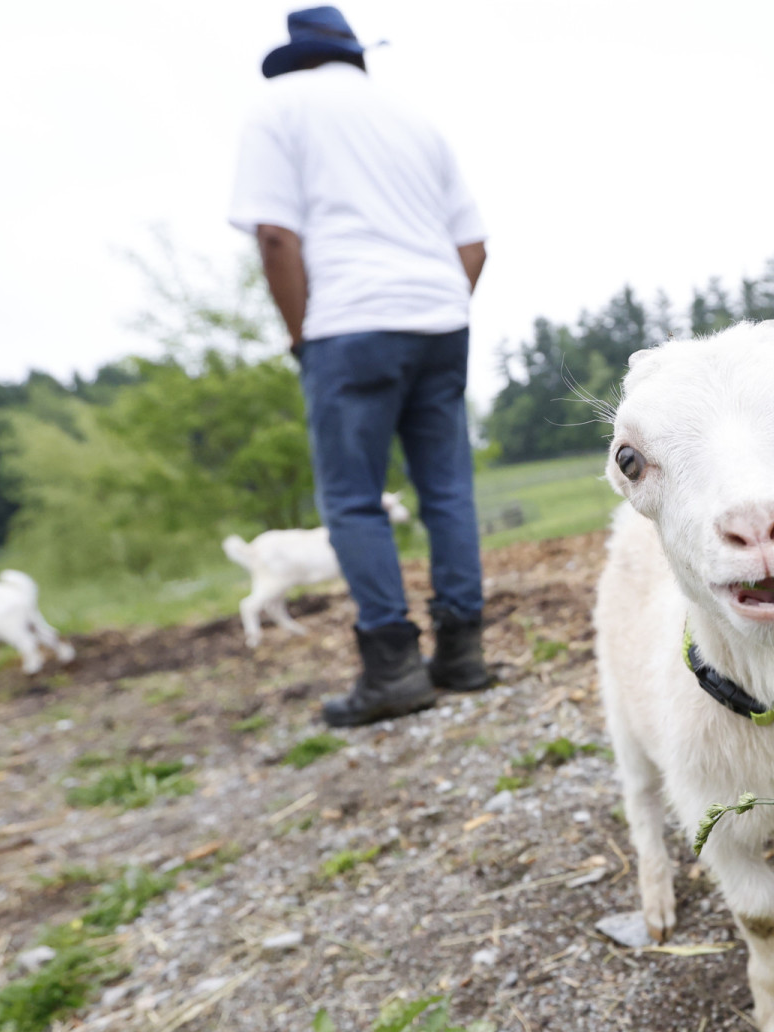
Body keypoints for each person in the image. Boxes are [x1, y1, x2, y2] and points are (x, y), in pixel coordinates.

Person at [229, 6, 493, 726]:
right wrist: (432, 307)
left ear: (297, 59)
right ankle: (463, 655)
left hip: (348, 323)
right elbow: (473, 245)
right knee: (446, 492)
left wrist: (301, 337)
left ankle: (394, 670)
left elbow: (278, 237)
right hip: (441, 319)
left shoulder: (279, 107)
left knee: (352, 500)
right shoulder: (413, 121)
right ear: (356, 55)